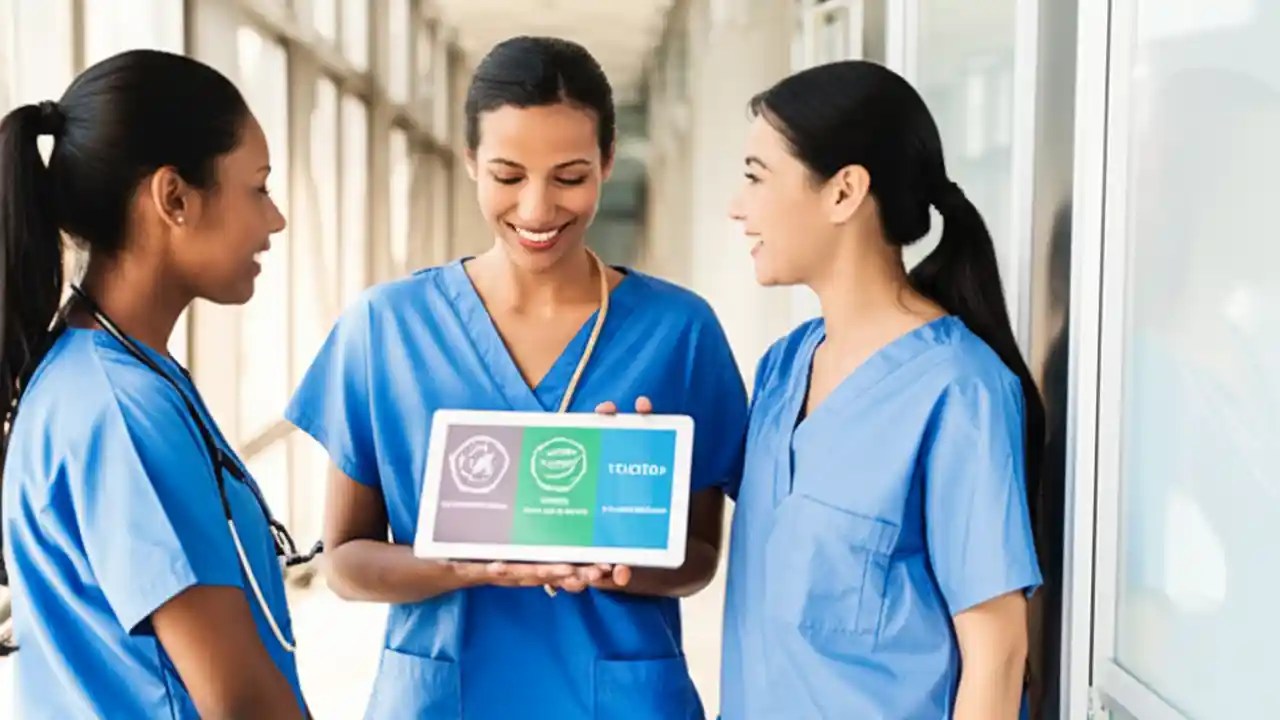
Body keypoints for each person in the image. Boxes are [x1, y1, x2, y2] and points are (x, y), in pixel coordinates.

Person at [286, 36, 747, 719]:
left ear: (608, 163)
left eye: (569, 176)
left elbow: (701, 555)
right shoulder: (388, 327)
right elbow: (347, 561)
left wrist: (622, 545)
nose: (537, 210)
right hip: (445, 698)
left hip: (617, 701)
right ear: (470, 161)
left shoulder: (678, 332)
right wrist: (465, 566)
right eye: (507, 176)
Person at [721, 60, 1045, 719]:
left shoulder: (961, 391)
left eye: (756, 177)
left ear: (843, 192)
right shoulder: (785, 367)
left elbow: (998, 657)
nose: (737, 206)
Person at [0, 50, 310, 719]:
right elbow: (239, 702)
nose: (275, 220)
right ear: (174, 197)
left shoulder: (108, 372)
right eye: (257, 188)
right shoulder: (120, 409)